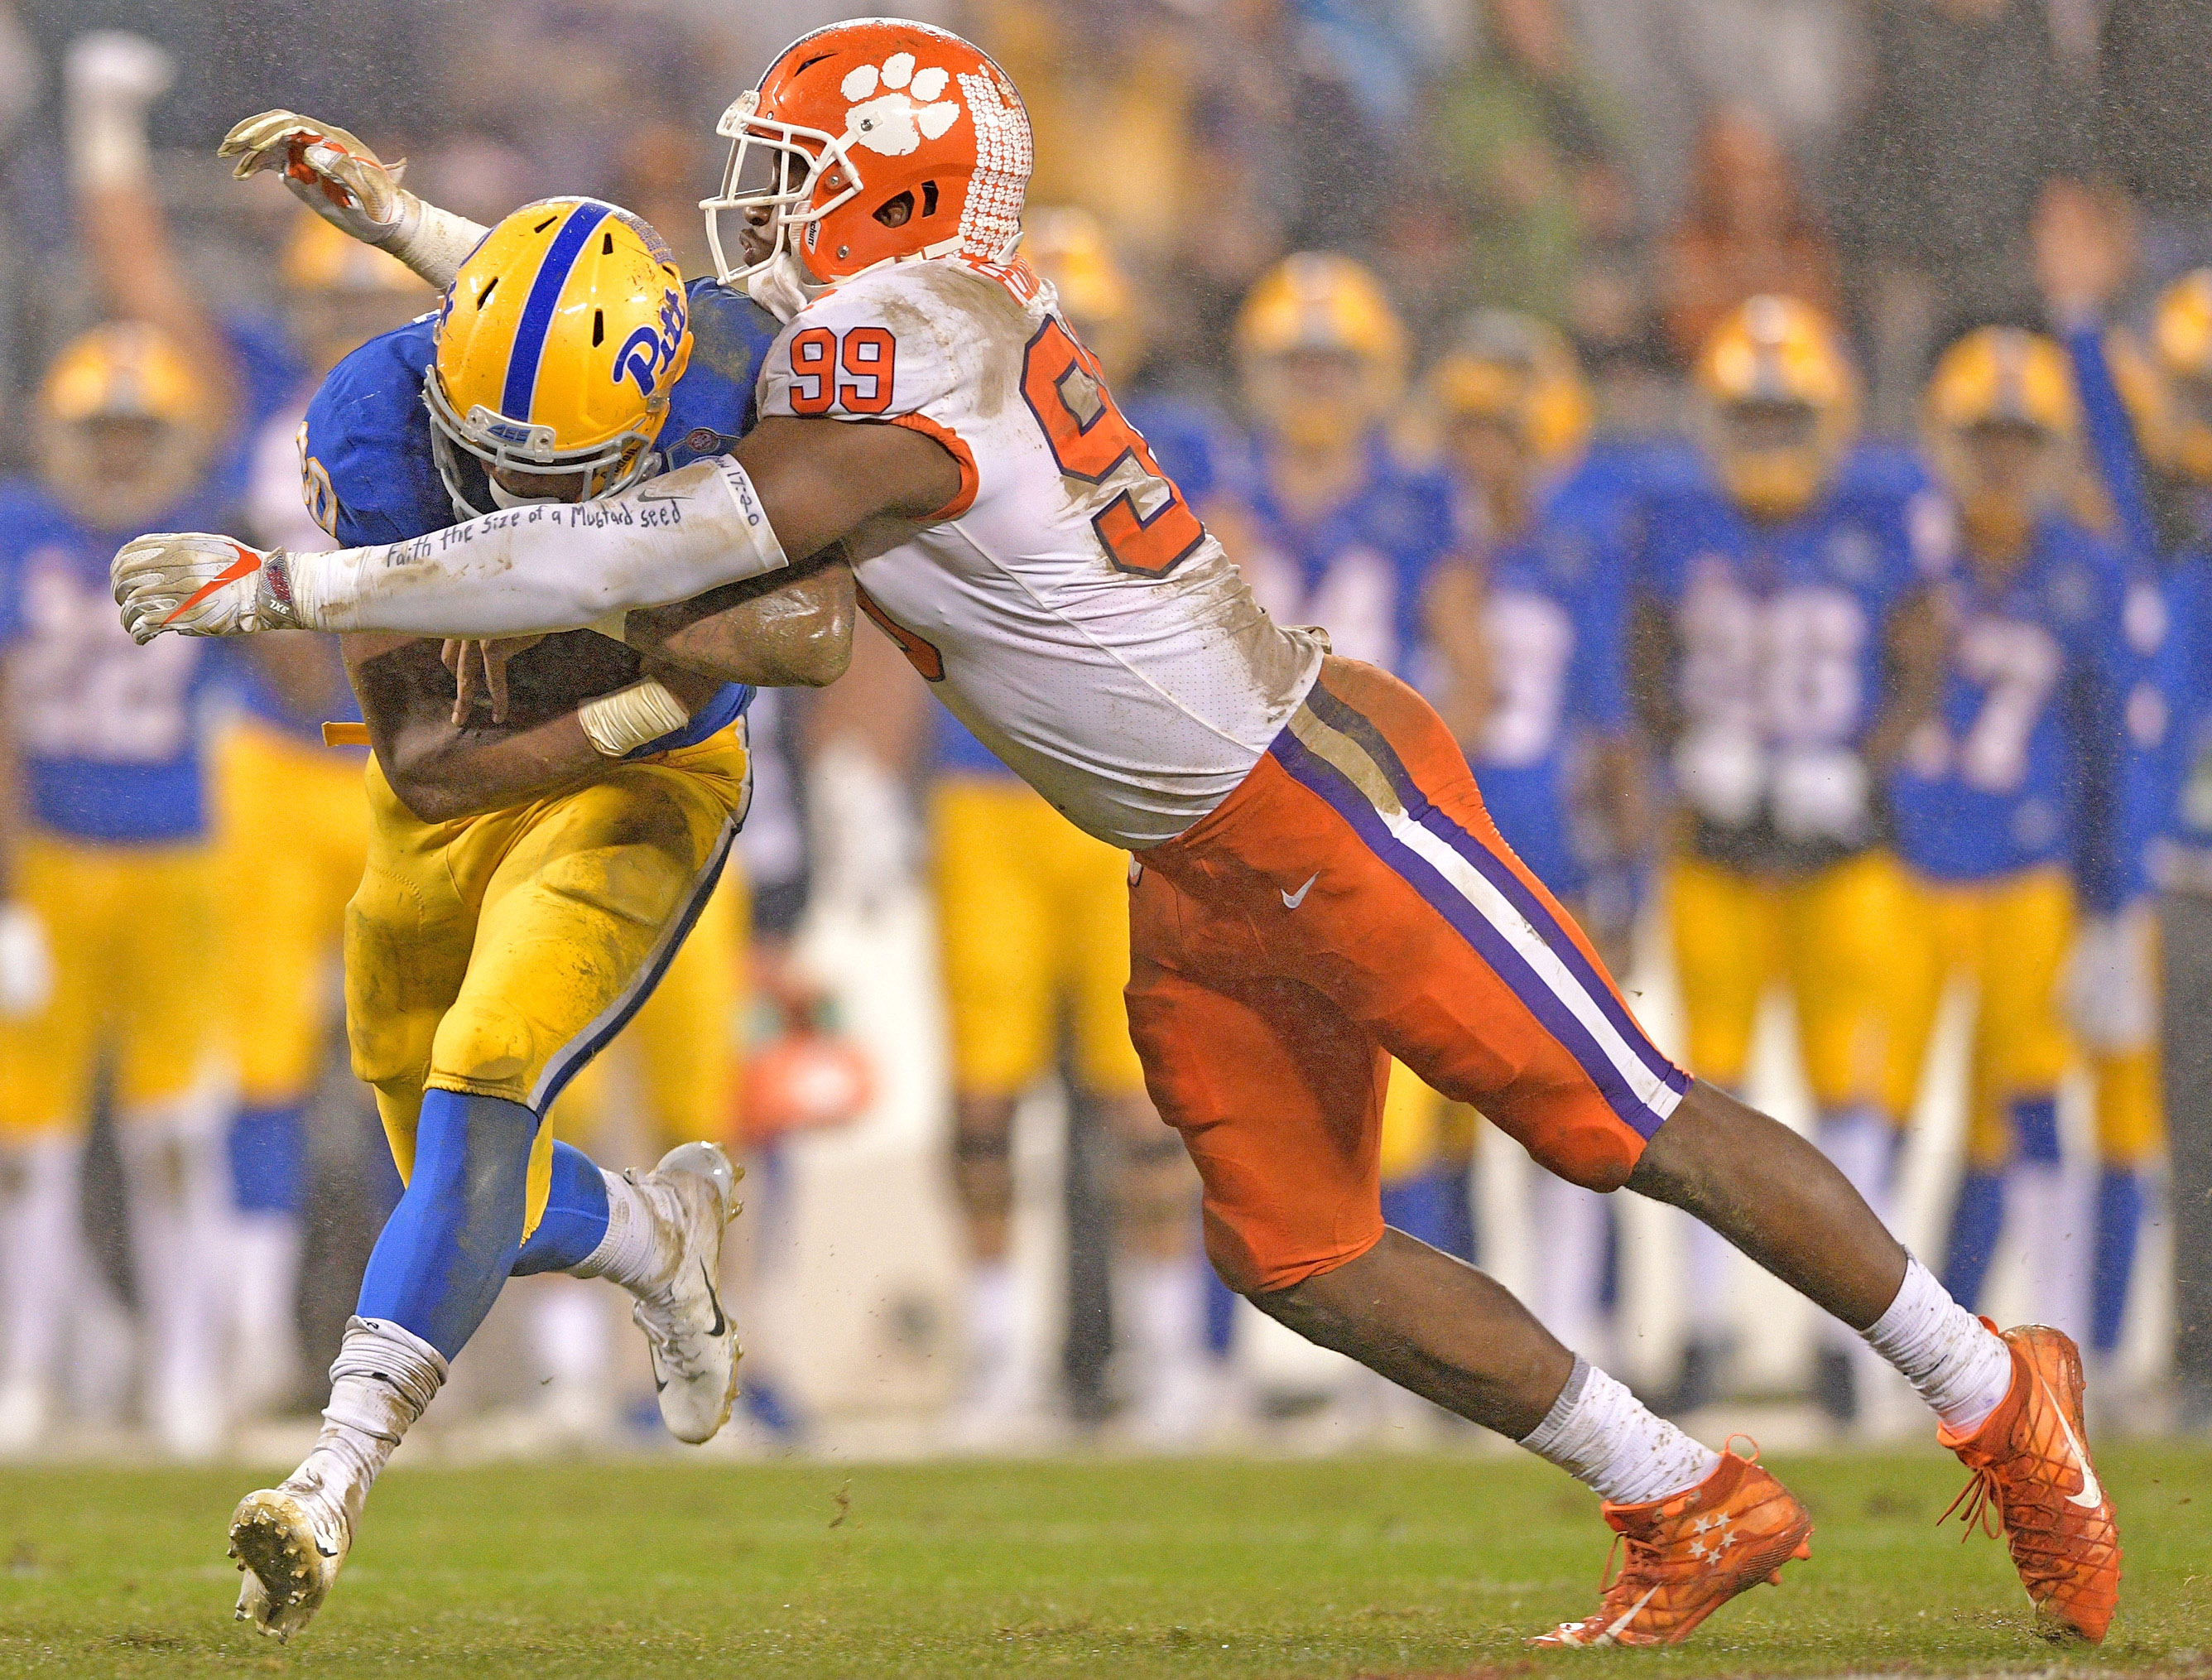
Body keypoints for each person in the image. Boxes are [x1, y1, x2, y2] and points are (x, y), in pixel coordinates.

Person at [125, 22, 2120, 1647]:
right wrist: (404, 222)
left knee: (1618, 1121)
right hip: (1195, 843)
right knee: (1299, 1244)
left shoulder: (897, 378)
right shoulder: (876, 311)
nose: (756, 208)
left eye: (796, 174)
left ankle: (1985, 1380)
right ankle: (1677, 1487)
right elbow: (627, 325)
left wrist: (300, 592)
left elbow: (640, 524)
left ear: (887, 192)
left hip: (1316, 789)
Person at [141, 176, 855, 1638]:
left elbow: (817, 629)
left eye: (568, 475)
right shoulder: (371, 418)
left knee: (485, 1070)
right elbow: (426, 758)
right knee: (458, 1182)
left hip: (641, 796)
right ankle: (656, 1236)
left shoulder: (719, 366)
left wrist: (638, 660)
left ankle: (332, 1472)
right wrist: (643, 653)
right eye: (499, 468)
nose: (531, 499)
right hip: (448, 802)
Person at [0, 31, 277, 1461]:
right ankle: (26, 1375)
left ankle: (187, 1372)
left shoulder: (205, 522)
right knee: (25, 1147)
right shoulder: (22, 534)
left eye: (135, 430)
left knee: (176, 1134)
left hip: (179, 856)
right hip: (54, 858)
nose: (116, 454)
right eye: (98, 431)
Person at [926, 207, 1212, 1446]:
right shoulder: (938, 436)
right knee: (983, 1100)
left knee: (1140, 1100)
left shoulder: (1179, 447)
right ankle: (998, 1360)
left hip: (1112, 790)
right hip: (982, 785)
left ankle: (1162, 1357)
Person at [1633, 295, 1936, 1427]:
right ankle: (1706, 1330)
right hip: (1714, 846)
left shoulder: (1882, 514)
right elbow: (1644, 659)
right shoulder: (1673, 517)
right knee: (1699, 1097)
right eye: (1748, 415)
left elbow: (1921, 660)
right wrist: (1681, 749)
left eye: (1785, 415)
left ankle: (1848, 1341)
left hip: (1840, 847)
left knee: (1849, 1097)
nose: (1766, 436)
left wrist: (1860, 764)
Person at [1214, 252, 1480, 1302]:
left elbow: (1472, 671)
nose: (1316, 387)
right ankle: (1238, 1353)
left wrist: (1410, 790)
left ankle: (1420, 1348)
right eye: (1298, 365)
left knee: (1399, 1100)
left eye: (1334, 366)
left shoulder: (1418, 503)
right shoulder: (1214, 499)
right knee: (1247, 1085)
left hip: (1372, 826)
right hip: (1248, 826)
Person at [1884, 328, 2134, 1355]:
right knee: (1875, 1114)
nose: (1999, 458)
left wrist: (2109, 907)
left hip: (2026, 874)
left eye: (2019, 438)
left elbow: (2106, 746)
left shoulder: (2084, 571)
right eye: (1982, 435)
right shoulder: (1893, 546)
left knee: (2029, 1112)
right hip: (1896, 866)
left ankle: (2059, 1337)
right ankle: (1860, 1347)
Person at [1426, 309, 1644, 1363]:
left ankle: (1578, 1320)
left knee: (1561, 1100)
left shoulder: (1574, 551)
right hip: (1429, 858)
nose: (1479, 454)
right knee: (1438, 1108)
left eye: (1497, 432)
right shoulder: (1413, 544)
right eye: (1465, 431)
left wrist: (1626, 876)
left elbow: (1608, 726)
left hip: (1540, 851)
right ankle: (1455, 1339)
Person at [2039, 203, 2204, 1413]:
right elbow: (2115, 446)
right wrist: (2082, 328)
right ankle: (2188, 1357)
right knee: (2170, 1132)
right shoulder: (2165, 548)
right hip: (2178, 874)